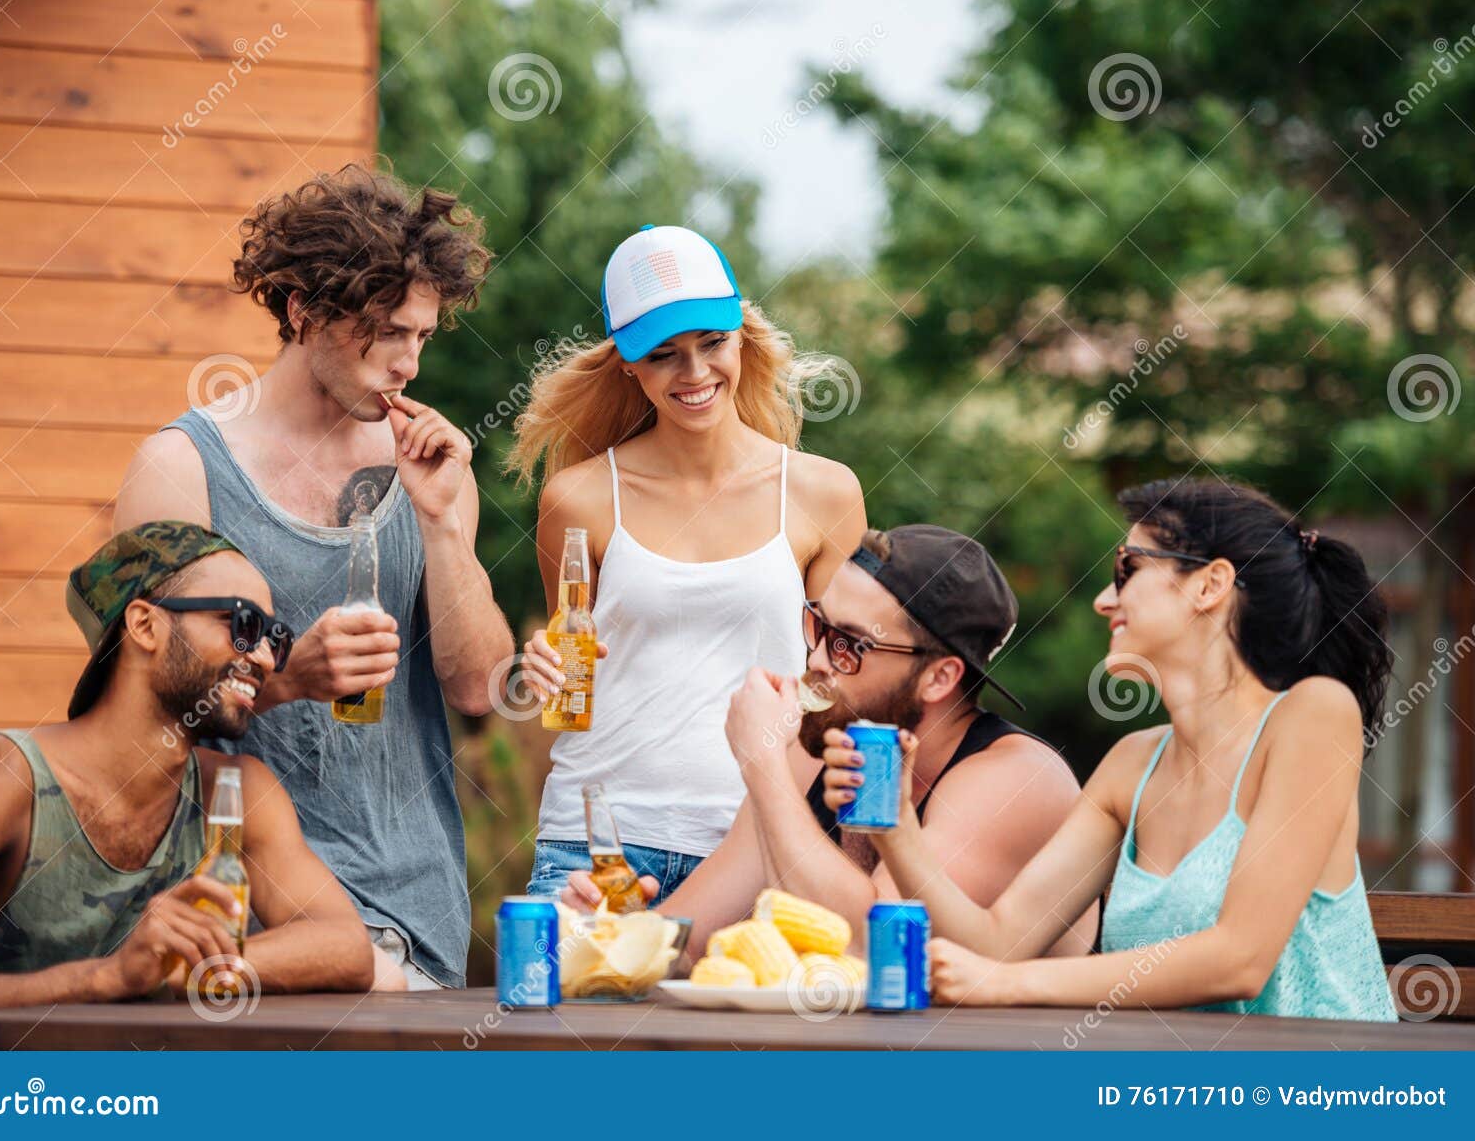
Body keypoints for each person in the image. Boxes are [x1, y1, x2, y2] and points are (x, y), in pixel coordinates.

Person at [113, 165, 515, 990]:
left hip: (416, 912)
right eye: (387, 332)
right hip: (242, 919)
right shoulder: (182, 469)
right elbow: (136, 725)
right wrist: (288, 681)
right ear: (303, 313)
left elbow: (478, 687)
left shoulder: (432, 473)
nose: (410, 364)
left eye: (424, 337)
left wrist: (441, 522)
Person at [840, 480, 1397, 1020]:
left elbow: (1240, 958)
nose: (1105, 601)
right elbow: (996, 943)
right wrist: (897, 831)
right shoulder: (1133, 763)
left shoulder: (1314, 715)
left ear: (1209, 585)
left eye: (1127, 569)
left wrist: (1010, 983)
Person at [0, 523, 374, 1023]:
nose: (265, 656)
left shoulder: (239, 792)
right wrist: (109, 978)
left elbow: (347, 948)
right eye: (242, 625)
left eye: (275, 638)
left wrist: (191, 967)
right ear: (144, 625)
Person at [509, 223, 867, 899]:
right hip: (596, 847)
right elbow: (572, 676)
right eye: (666, 354)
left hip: (762, 843)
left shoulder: (825, 492)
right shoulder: (579, 498)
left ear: (742, 336)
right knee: (559, 1005)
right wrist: (544, 666)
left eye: (713, 344)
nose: (696, 373)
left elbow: (844, 681)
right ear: (627, 362)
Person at [562, 526, 1098, 960]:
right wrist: (610, 933)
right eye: (817, 626)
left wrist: (761, 765)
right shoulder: (811, 751)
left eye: (848, 645)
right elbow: (690, 938)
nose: (817, 659)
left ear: (940, 678)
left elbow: (872, 950)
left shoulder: (1014, 779)